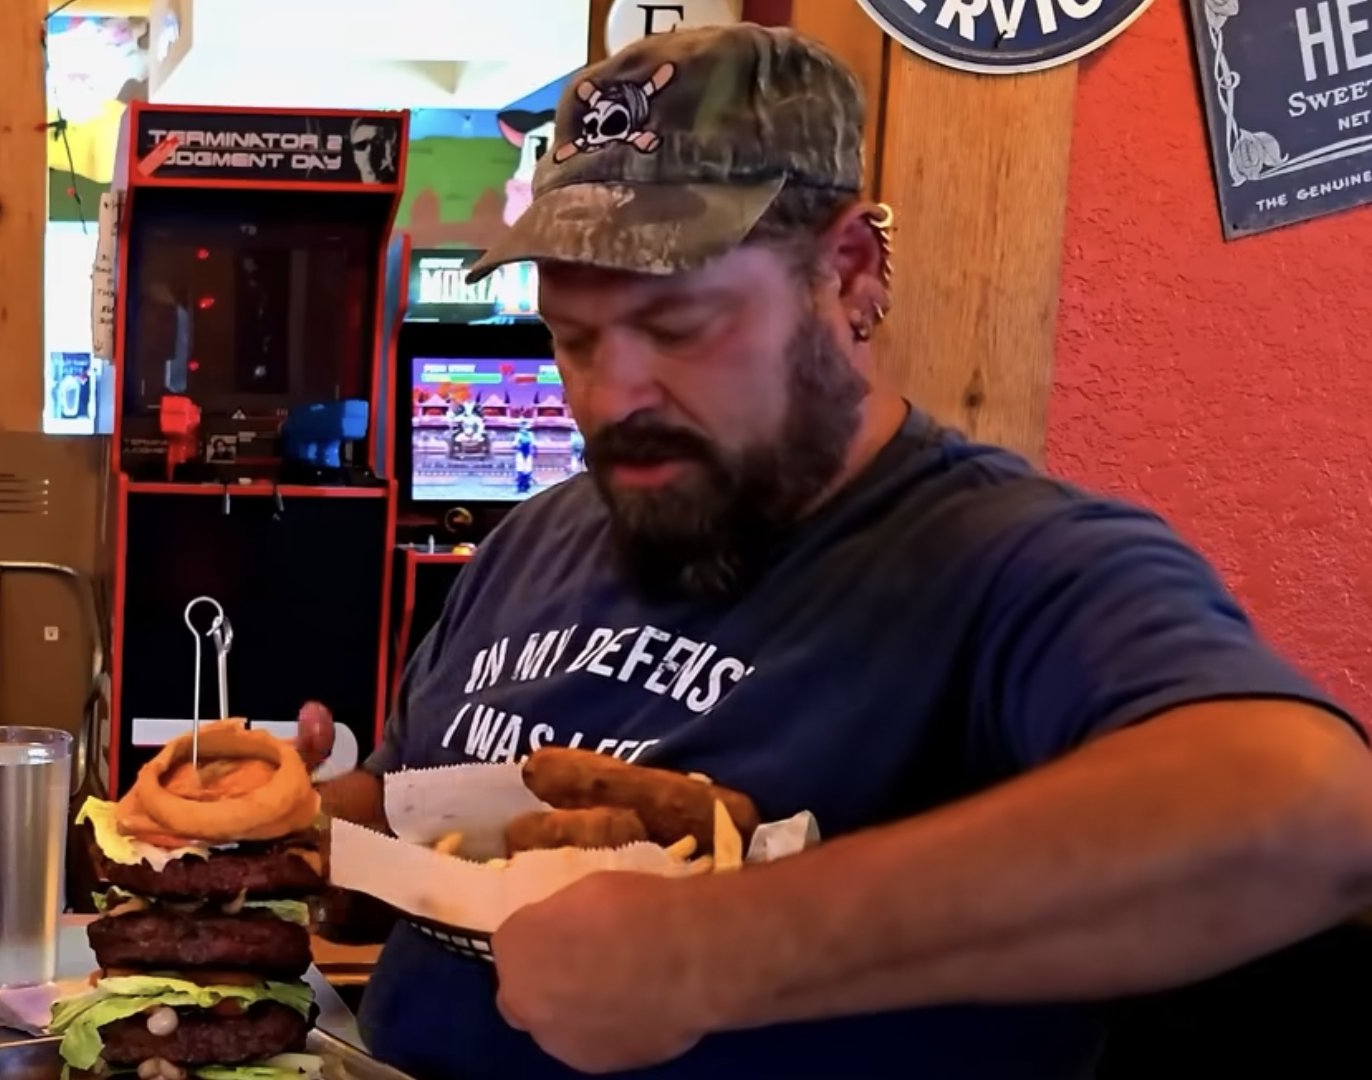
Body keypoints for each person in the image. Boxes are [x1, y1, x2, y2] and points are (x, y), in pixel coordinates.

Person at [299, 24, 1372, 1080]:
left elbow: (1315, 819)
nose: (610, 396)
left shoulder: (1016, 561)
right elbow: (421, 836)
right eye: (571, 338)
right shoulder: (538, 535)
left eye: (678, 327)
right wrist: (309, 830)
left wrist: (722, 951)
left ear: (850, 273)